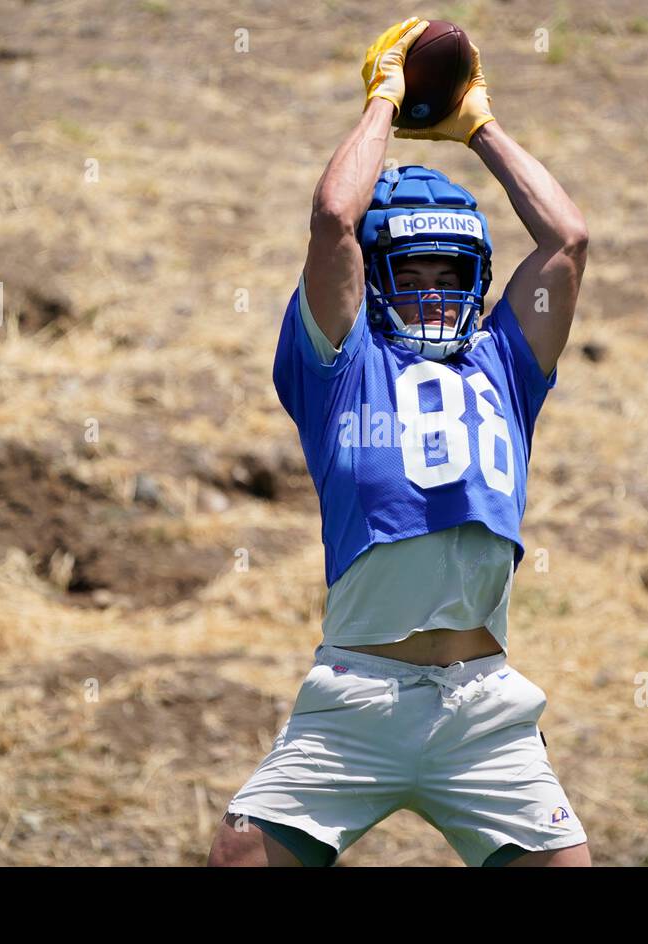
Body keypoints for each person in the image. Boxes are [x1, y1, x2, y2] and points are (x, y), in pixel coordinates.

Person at [209, 16, 590, 867]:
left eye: (449, 275)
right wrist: (385, 99)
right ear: (375, 279)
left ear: (478, 279)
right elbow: (334, 219)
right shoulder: (341, 364)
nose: (430, 293)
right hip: (358, 695)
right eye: (409, 275)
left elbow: (567, 240)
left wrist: (478, 125)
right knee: (242, 859)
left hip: (484, 705)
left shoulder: (505, 364)